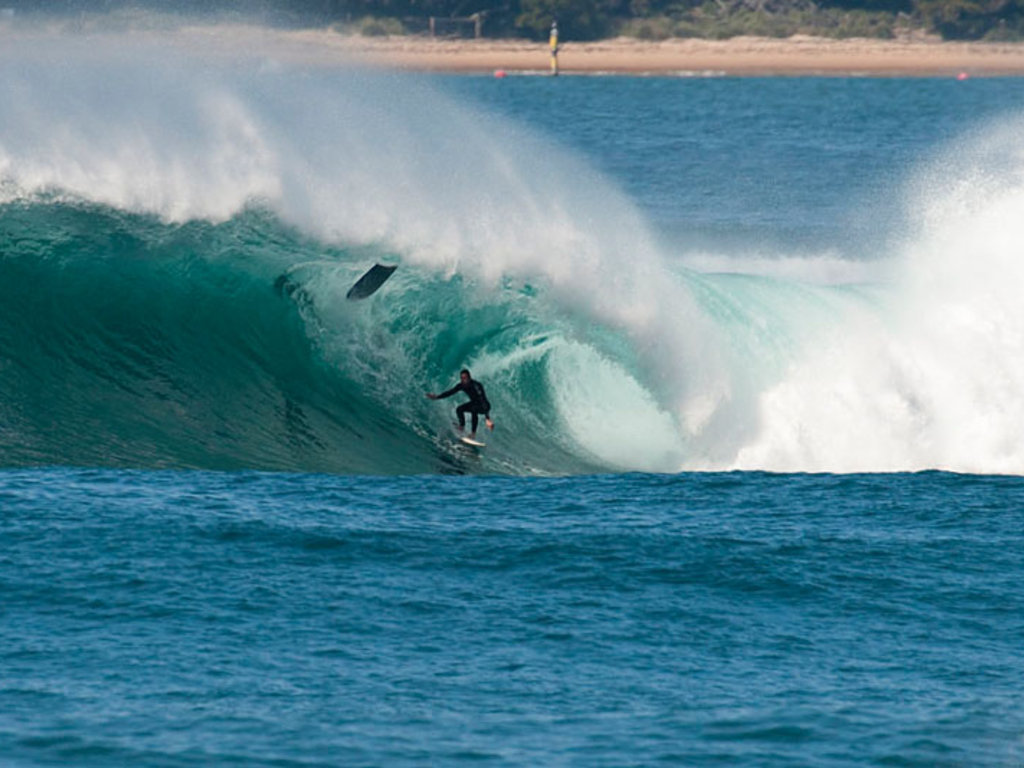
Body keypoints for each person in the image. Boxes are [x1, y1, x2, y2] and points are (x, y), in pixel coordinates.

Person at [427, 369, 494, 438]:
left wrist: (487, 418)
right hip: (474, 404)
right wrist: (437, 397)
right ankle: (461, 426)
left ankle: (473, 433)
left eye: (465, 378)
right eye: (462, 378)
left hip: (485, 406)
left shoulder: (476, 385)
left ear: (469, 378)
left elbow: (483, 400)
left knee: (474, 409)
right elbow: (450, 392)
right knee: (459, 409)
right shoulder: (461, 385)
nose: (463, 380)